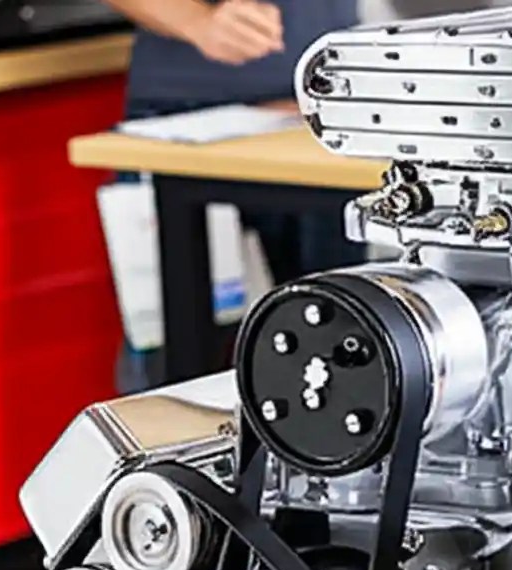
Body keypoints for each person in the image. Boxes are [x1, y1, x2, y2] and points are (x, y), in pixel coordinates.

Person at [103, 0, 363, 391]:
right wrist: (197, 21)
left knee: (341, 356)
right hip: (184, 127)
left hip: (320, 116)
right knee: (179, 377)